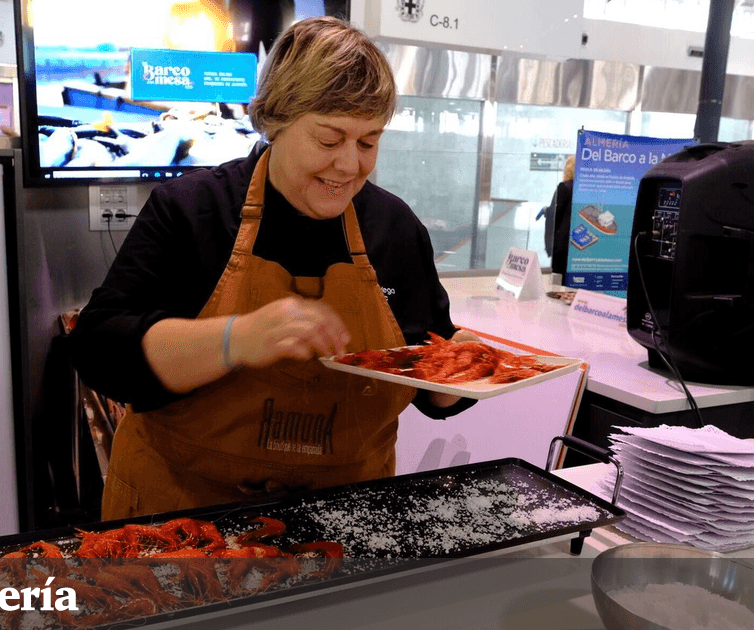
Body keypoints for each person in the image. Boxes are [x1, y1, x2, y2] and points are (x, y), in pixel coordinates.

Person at [73, 16, 478, 520]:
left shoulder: (394, 230)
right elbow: (99, 349)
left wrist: (465, 371)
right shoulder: (192, 211)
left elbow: (427, 369)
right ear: (276, 121)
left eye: (368, 142)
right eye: (329, 140)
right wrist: (234, 340)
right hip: (186, 516)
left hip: (343, 519)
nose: (349, 165)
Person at [544, 155, 575, 276]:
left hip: (563, 247)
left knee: (559, 282)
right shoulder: (587, 190)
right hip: (580, 246)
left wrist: (549, 246)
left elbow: (554, 217)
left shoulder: (564, 187)